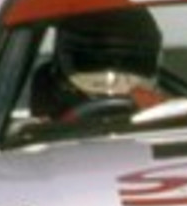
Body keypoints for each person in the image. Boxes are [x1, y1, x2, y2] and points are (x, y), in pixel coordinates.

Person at [32, 7, 168, 121]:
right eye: (93, 61)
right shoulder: (50, 94)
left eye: (132, 62)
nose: (117, 79)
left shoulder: (162, 109)